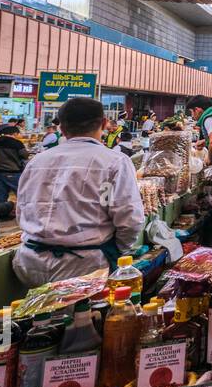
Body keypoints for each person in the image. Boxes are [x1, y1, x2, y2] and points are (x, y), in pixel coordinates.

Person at [12, 97, 146, 287]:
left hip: (29, 261)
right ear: (104, 123)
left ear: (62, 128)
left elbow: (22, 209)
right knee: (82, 316)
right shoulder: (114, 161)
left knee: (40, 317)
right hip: (84, 265)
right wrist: (118, 250)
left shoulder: (37, 161)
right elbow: (130, 218)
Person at [0, 124, 28, 205]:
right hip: (13, 171)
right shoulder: (17, 143)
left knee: (1, 195)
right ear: (14, 133)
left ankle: (1, 214)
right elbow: (24, 155)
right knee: (21, 194)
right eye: (18, 134)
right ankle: (23, 213)